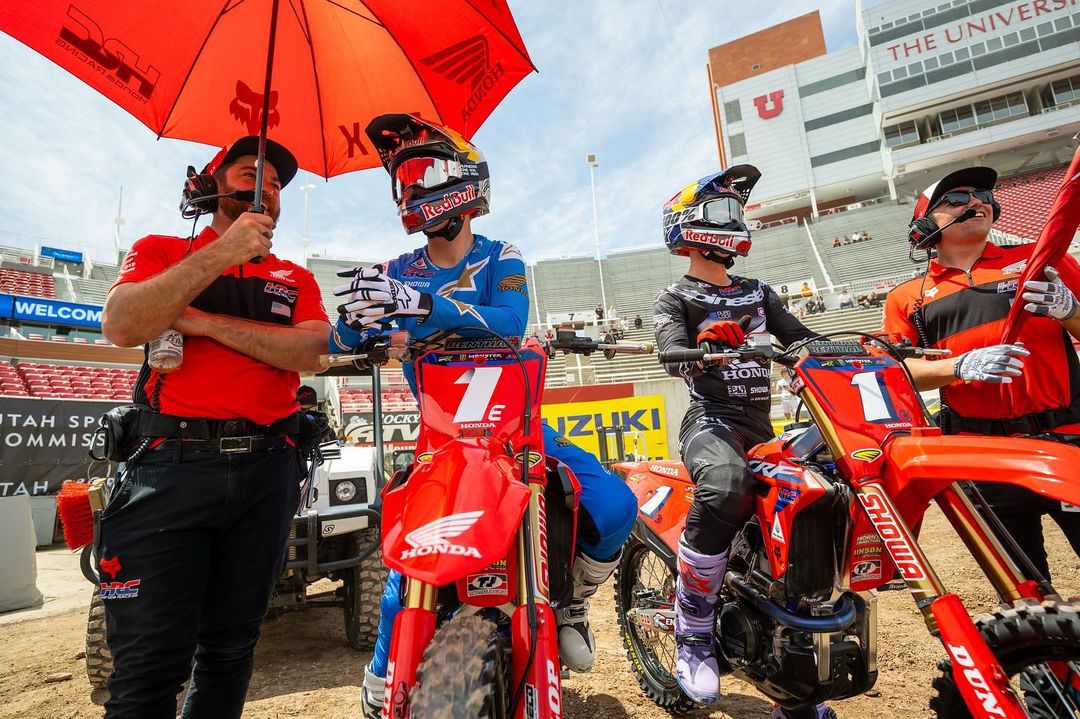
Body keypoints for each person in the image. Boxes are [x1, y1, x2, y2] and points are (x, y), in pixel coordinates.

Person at [326, 115, 637, 717]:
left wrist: (425, 306)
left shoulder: (502, 256)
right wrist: (355, 321)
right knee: (403, 564)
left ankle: (569, 601)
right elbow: (344, 340)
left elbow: (512, 322)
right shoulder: (396, 269)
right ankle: (382, 668)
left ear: (463, 183)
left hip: (518, 429)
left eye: (420, 171)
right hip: (440, 441)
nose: (409, 189)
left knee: (615, 506)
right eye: (400, 179)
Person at [98, 136, 329, 718]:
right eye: (251, 173)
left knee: (230, 653)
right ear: (211, 183)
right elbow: (124, 324)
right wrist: (222, 254)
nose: (266, 188)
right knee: (148, 667)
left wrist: (202, 322)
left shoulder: (295, 278)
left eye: (276, 184)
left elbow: (313, 352)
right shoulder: (160, 248)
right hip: (168, 468)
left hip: (268, 471)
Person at [653, 165, 827, 717]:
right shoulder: (674, 296)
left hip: (761, 428)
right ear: (688, 226)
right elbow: (668, 352)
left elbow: (803, 339)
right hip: (709, 421)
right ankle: (693, 628)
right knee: (726, 487)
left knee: (814, 512)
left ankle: (794, 688)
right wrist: (702, 343)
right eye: (723, 211)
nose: (735, 221)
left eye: (737, 212)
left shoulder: (758, 291)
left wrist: (847, 345)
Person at [883, 165, 1080, 582]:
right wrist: (958, 367)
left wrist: (1072, 312)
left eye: (984, 196)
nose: (977, 202)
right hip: (985, 455)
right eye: (956, 198)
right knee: (1022, 585)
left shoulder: (1042, 258)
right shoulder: (905, 297)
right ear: (924, 222)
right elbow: (895, 372)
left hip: (1069, 439)